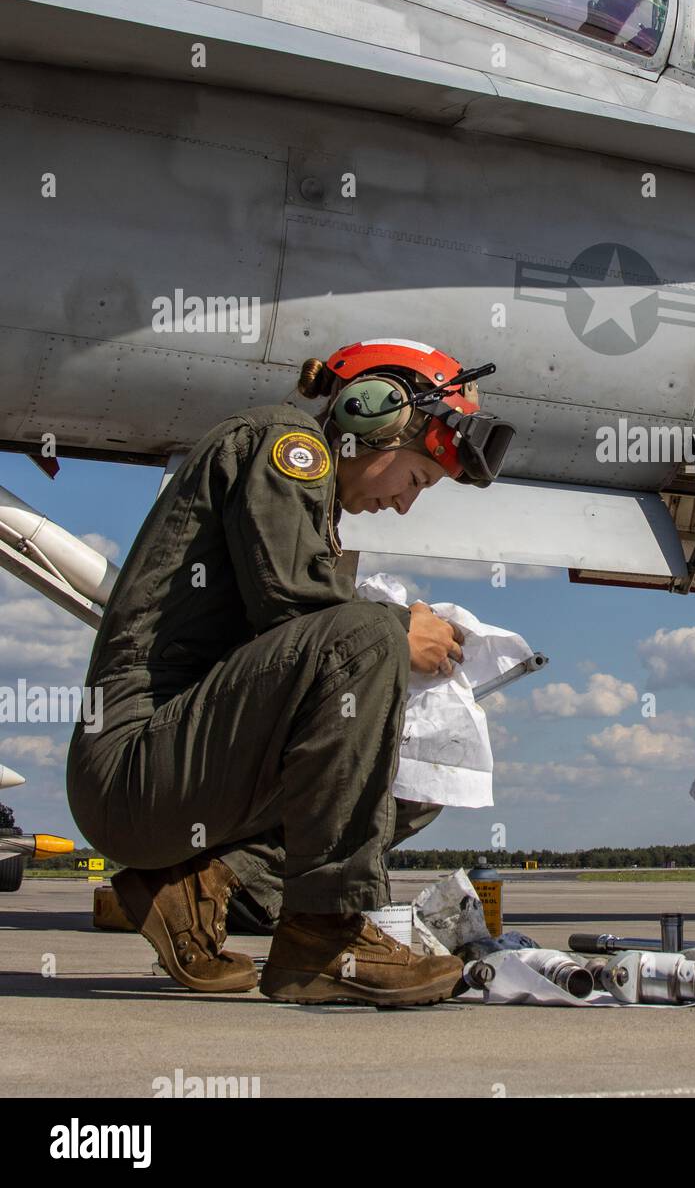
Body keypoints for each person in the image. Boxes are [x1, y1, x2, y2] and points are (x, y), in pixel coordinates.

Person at [66, 338, 515, 1006]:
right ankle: (324, 937)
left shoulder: (316, 499)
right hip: (132, 765)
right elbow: (296, 608)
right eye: (417, 480)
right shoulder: (286, 443)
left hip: (181, 770)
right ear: (377, 416)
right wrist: (399, 630)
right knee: (366, 637)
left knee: (419, 773)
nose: (404, 504)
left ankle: (198, 886)